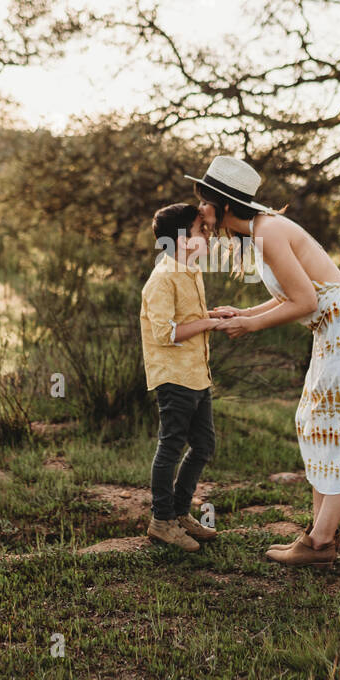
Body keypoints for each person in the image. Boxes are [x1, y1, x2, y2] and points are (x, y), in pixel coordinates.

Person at [186, 156, 340, 567]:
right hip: (339, 326)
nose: (199, 210)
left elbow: (306, 301)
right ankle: (318, 537)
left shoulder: (269, 232)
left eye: (204, 202)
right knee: (318, 422)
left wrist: (253, 327)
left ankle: (320, 543)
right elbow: (291, 292)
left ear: (223, 205)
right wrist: (243, 313)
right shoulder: (263, 231)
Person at [138, 202, 223, 552]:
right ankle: (161, 521)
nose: (207, 234)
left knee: (203, 445)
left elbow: (191, 318)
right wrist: (209, 322)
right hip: (174, 377)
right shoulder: (163, 278)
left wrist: (216, 314)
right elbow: (165, 333)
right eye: (200, 230)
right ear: (182, 240)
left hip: (197, 374)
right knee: (171, 446)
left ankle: (178, 512)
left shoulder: (190, 270)